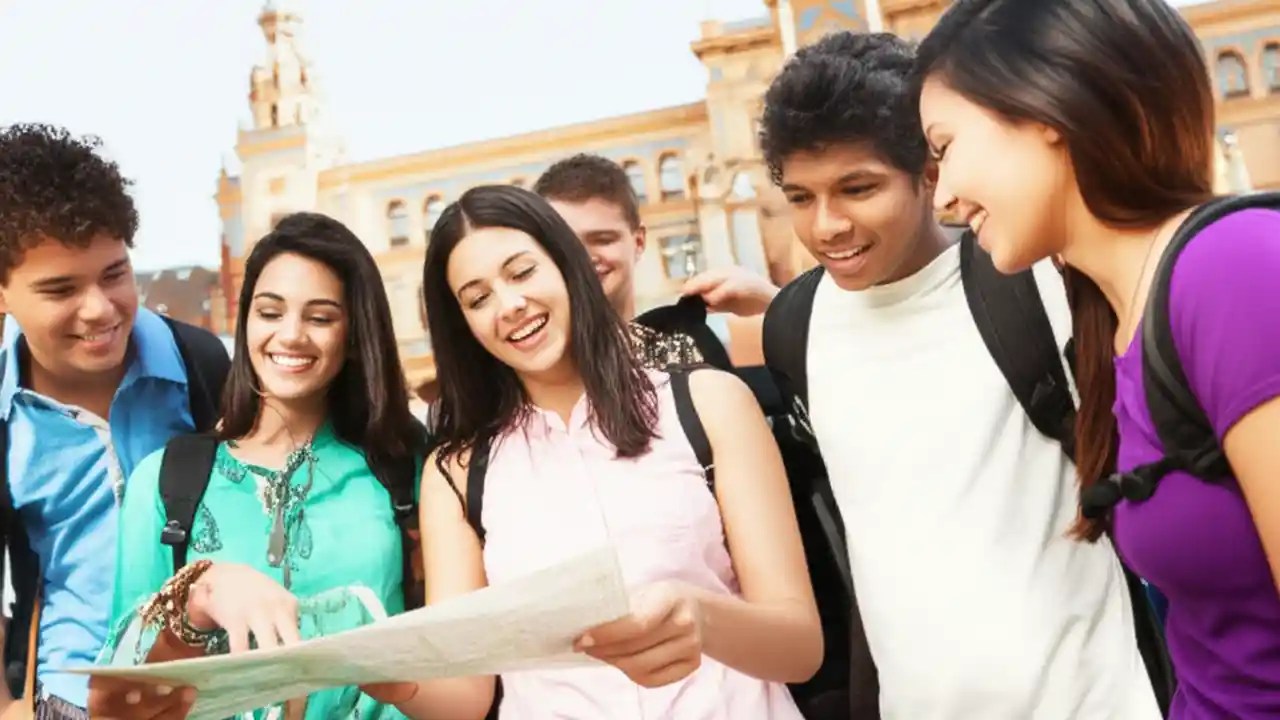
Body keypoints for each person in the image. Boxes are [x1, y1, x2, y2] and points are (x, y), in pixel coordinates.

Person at [744, 31, 1162, 719]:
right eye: (800, 197)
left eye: (858, 188)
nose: (827, 225)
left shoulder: (1029, 280)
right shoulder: (794, 325)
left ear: (930, 174)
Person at [916, 1, 1280, 717]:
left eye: (945, 146)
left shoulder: (1232, 270)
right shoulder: (1114, 320)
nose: (945, 195)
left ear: (1042, 107)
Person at [405, 184, 821, 718]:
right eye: (477, 299)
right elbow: (466, 696)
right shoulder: (455, 473)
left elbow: (800, 647)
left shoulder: (708, 402)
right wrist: (386, 679)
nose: (509, 306)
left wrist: (702, 619)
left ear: (567, 264)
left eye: (522, 272)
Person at [87, 212, 428, 719]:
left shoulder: (405, 467)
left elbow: (453, 656)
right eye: (270, 312)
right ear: (246, 319)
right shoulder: (166, 480)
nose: (291, 336)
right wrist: (197, 601)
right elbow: (118, 699)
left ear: (356, 334)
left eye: (320, 318)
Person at [0, 123, 229, 719]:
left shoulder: (202, 365)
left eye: (114, 274)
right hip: (71, 698)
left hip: (213, 692)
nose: (99, 309)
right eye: (60, 290)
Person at [533, 154, 733, 371]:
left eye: (603, 240)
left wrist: (760, 302)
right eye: (566, 244)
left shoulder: (688, 347)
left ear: (638, 242)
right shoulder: (532, 366)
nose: (584, 258)